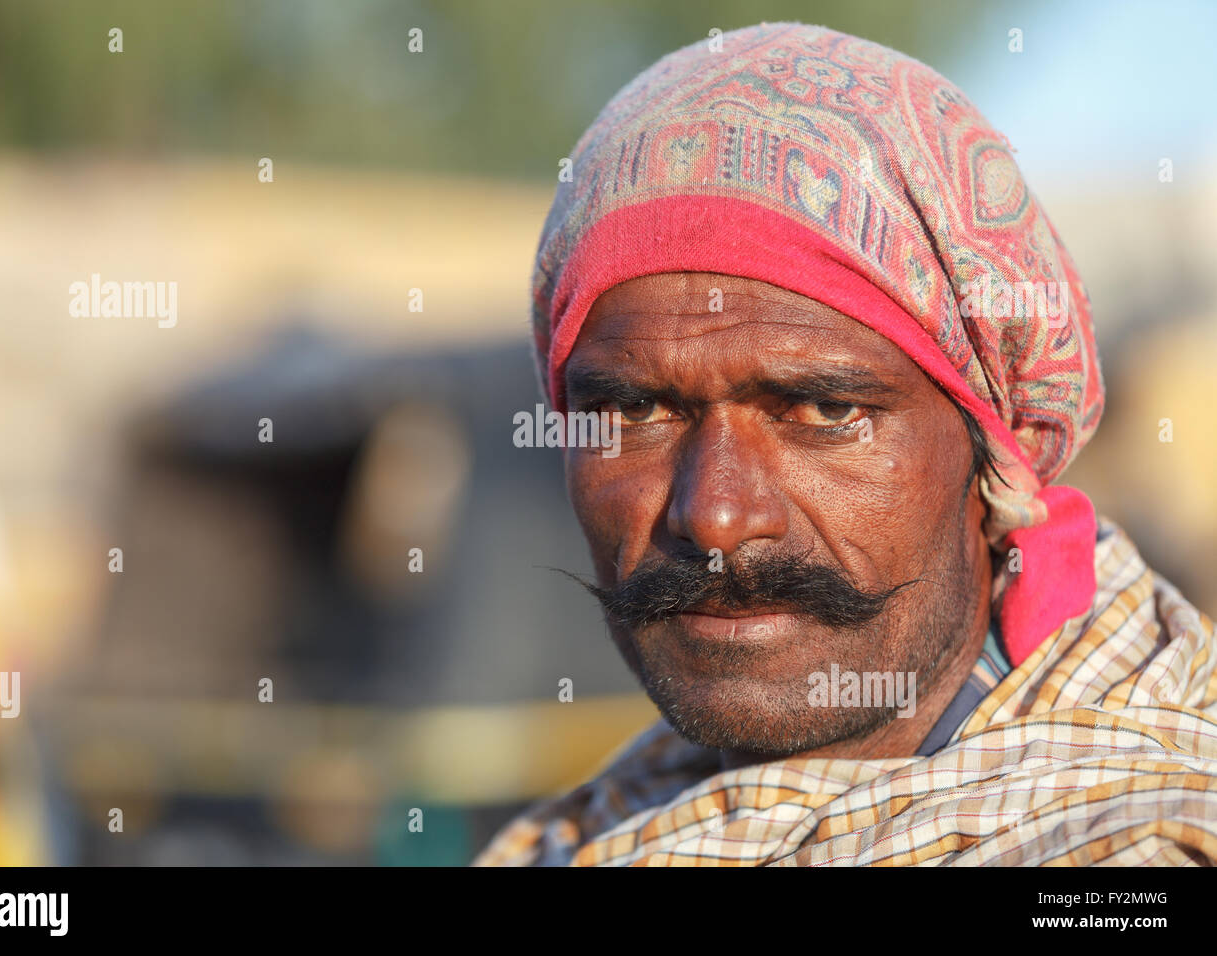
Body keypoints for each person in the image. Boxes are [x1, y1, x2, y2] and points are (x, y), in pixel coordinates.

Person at [475, 21, 1217, 866]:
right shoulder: (605, 825)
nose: (715, 515)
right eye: (634, 412)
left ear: (993, 450)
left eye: (825, 411)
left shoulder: (1129, 854)